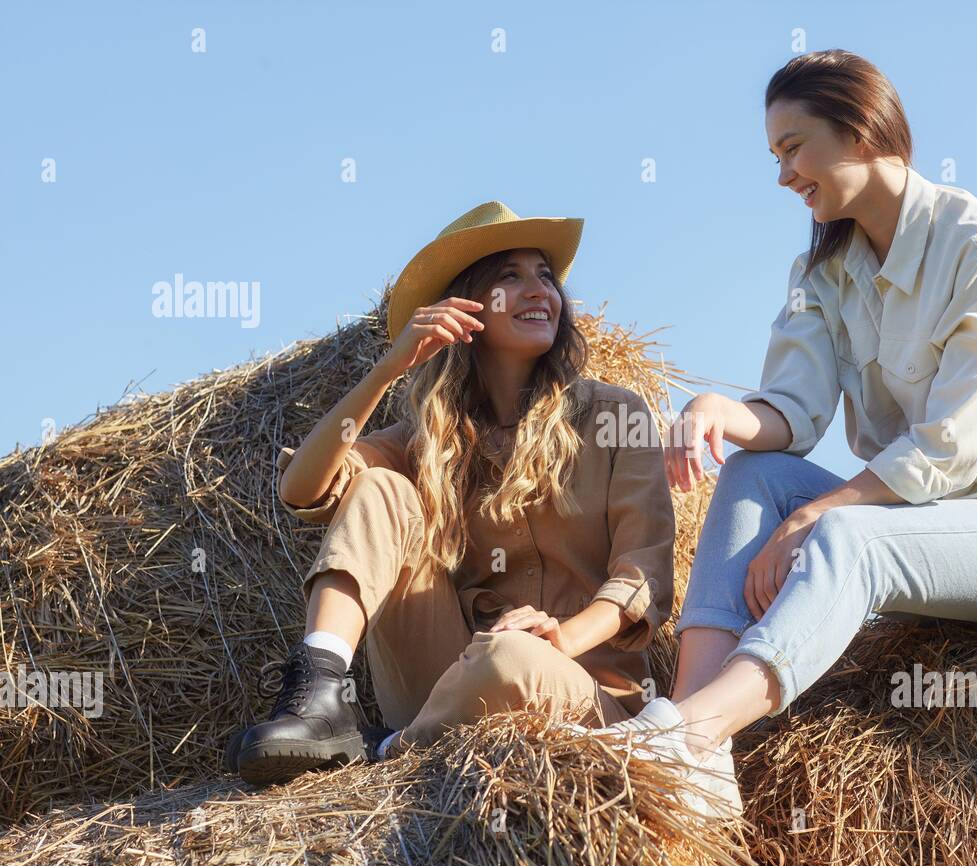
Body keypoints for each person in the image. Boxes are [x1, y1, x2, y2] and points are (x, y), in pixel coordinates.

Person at [578, 50, 977, 817]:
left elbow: (948, 447)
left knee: (847, 536)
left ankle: (689, 732)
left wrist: (820, 513)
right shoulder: (821, 270)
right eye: (774, 155)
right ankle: (699, 756)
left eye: (793, 148)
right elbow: (791, 416)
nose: (782, 175)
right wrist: (713, 411)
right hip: (921, 513)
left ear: (861, 131)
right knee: (752, 477)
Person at [228, 201, 679, 790]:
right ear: (465, 307)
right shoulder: (429, 439)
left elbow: (643, 576)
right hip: (441, 674)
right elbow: (301, 488)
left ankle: (383, 754)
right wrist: (389, 368)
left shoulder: (615, 416)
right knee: (380, 487)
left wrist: (561, 637)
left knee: (506, 657)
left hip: (575, 688)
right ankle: (316, 695)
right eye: (509, 276)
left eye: (545, 274)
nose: (538, 289)